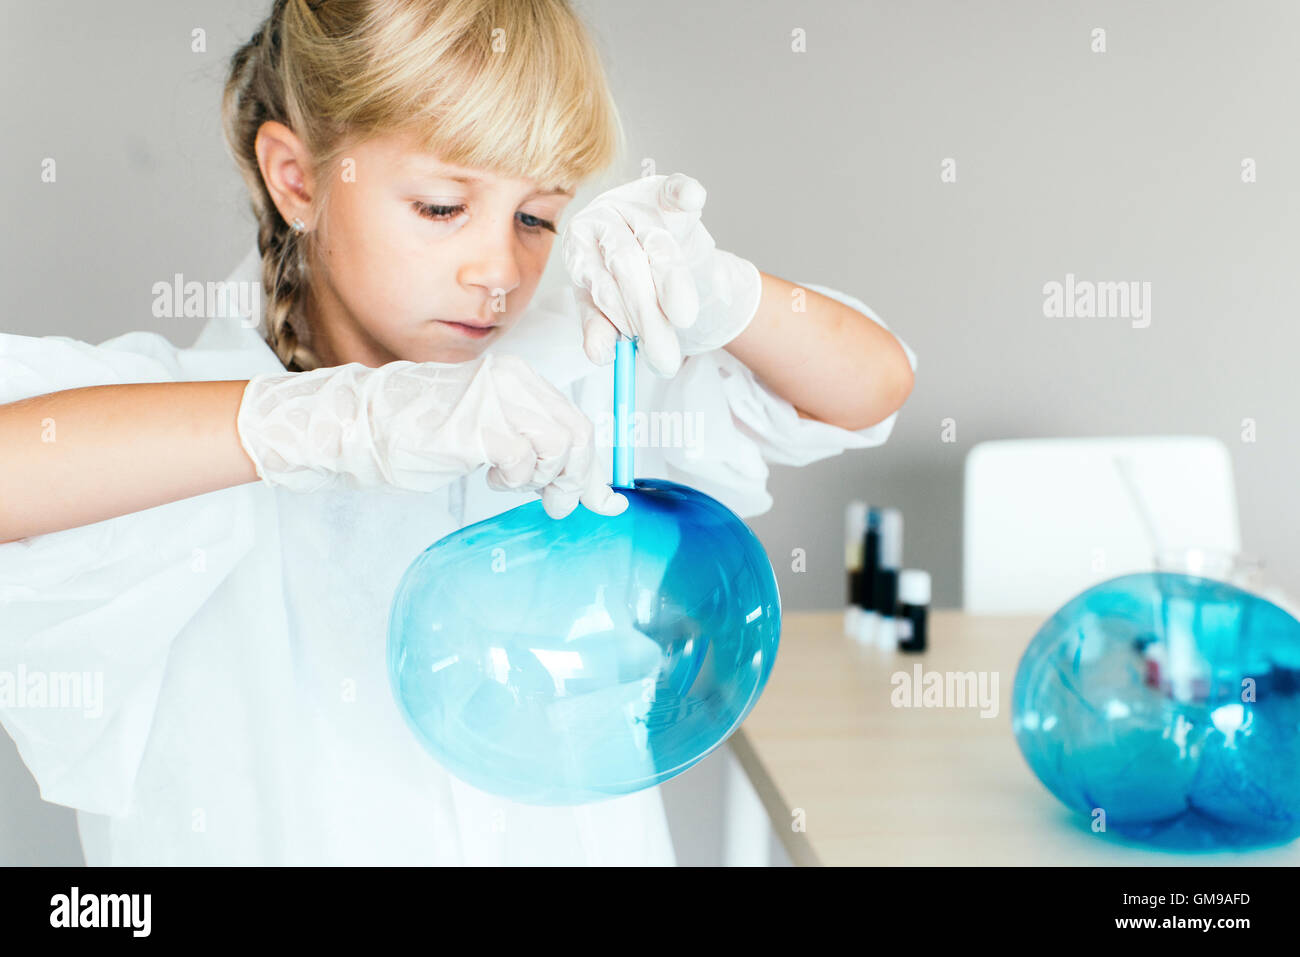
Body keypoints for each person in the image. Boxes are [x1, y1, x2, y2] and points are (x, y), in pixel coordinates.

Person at [0, 0, 916, 865]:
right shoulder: (165, 427)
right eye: (443, 206)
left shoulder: (576, 366)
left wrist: (726, 294)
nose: (498, 271)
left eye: (538, 217)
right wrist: (320, 425)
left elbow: (871, 388)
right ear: (299, 178)